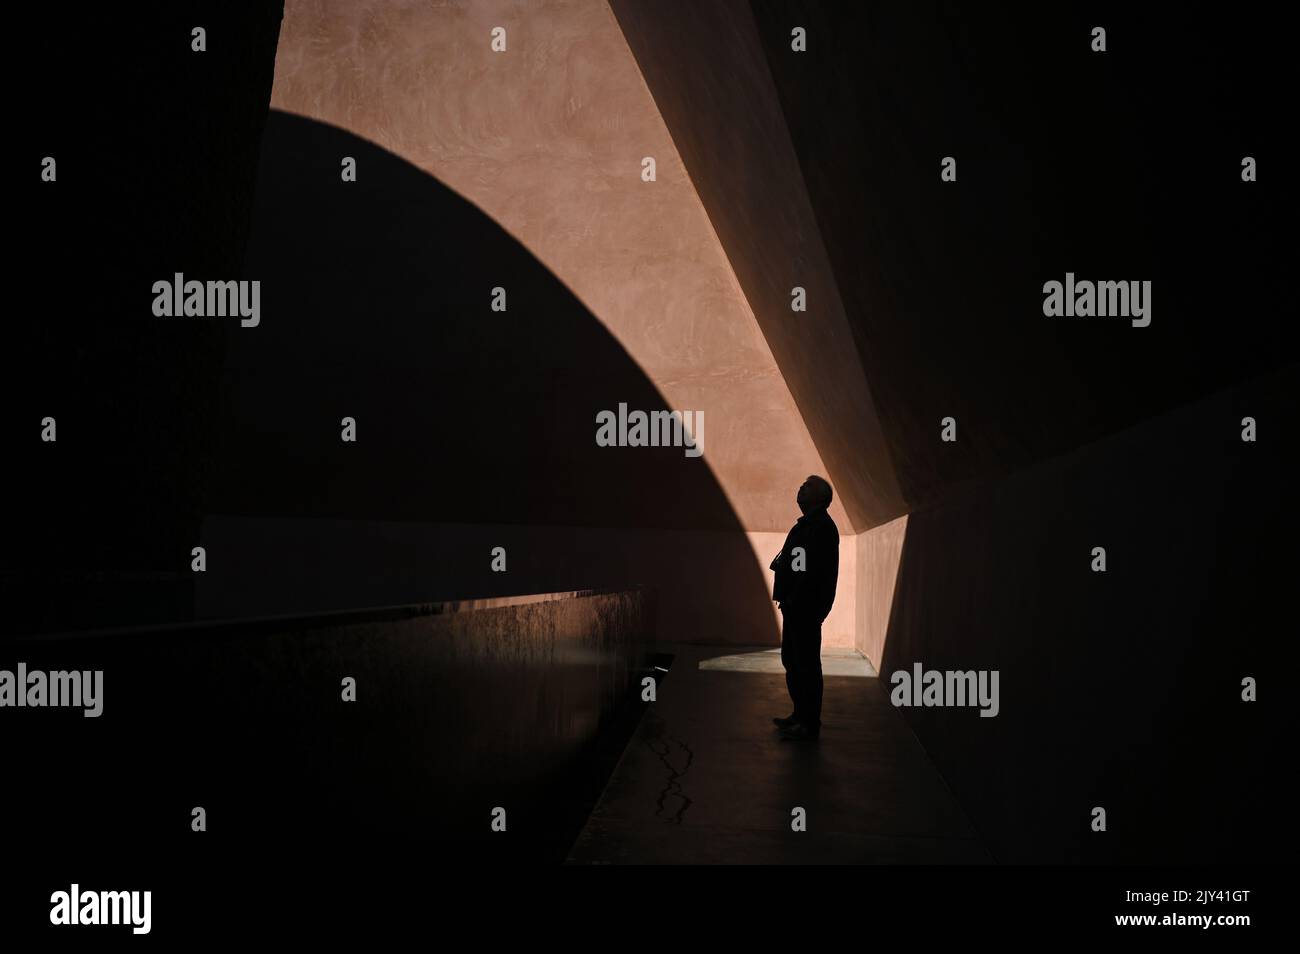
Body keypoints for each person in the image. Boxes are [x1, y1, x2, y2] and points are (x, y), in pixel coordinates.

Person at [770, 475, 838, 741]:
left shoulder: (819, 527)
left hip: (805, 607)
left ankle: (809, 724)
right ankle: (799, 716)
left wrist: (795, 597)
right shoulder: (809, 525)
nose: (801, 487)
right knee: (794, 662)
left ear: (821, 498)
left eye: (808, 486)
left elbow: (811, 572)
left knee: (806, 664)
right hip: (796, 605)